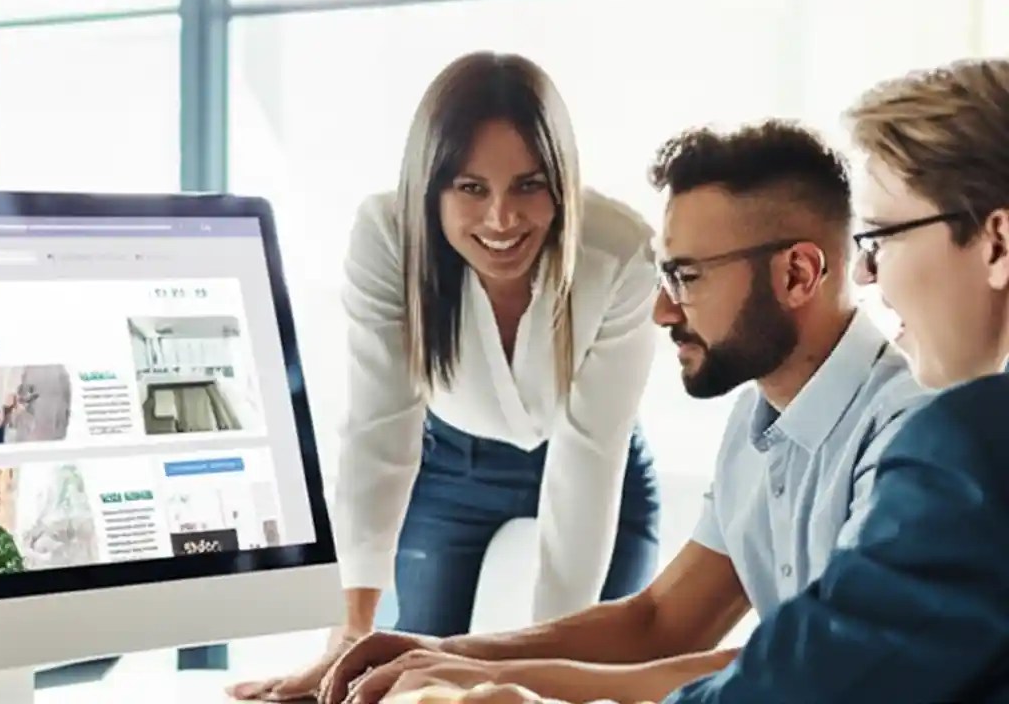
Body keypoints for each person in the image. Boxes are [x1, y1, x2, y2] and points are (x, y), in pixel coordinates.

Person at [314, 120, 931, 704]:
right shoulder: (757, 423)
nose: (662, 310)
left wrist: (508, 678)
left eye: (686, 277)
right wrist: (445, 653)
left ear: (798, 274)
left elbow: (819, 665)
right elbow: (661, 621)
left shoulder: (915, 436)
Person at [230, 50, 663, 701]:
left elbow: (589, 457)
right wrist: (349, 634)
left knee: (603, 680)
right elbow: (379, 431)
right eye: (471, 188)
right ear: (430, 186)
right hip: (448, 467)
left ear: (563, 182)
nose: (500, 218)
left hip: (600, 466)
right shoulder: (387, 236)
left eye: (529, 184)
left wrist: (538, 670)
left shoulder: (619, 250)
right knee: (400, 677)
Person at [662, 57, 1009, 704]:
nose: (869, 275)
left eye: (882, 239)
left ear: (997, 244)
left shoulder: (964, 446)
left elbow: (805, 684)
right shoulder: (754, 422)